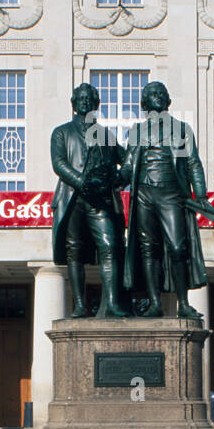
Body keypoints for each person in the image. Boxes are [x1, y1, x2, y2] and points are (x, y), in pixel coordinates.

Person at [119, 81, 214, 320]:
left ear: (168, 100)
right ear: (144, 102)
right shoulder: (137, 131)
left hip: (171, 192)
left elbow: (193, 162)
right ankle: (154, 303)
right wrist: (109, 181)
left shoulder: (182, 129)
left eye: (162, 93)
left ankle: (183, 303)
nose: (158, 96)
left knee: (177, 246)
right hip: (144, 194)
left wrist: (200, 194)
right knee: (148, 249)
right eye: (152, 94)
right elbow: (129, 165)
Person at [50, 83, 129, 318]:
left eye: (89, 98)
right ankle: (80, 306)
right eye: (80, 98)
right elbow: (59, 163)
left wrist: (118, 179)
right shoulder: (61, 132)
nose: (85, 101)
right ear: (73, 103)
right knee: (74, 250)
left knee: (110, 246)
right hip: (72, 198)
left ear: (96, 104)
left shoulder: (106, 135)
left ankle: (113, 303)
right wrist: (81, 181)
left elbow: (126, 160)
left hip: (101, 200)